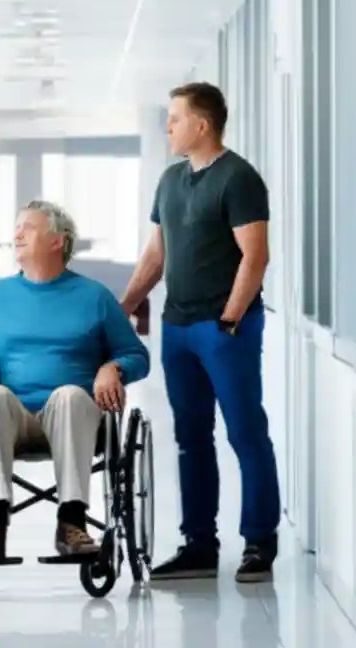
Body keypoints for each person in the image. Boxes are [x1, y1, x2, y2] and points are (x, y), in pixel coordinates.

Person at [119, 82, 279, 583]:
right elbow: (155, 256)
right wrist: (122, 307)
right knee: (190, 436)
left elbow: (255, 256)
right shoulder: (170, 181)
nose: (168, 126)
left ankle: (258, 541)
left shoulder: (238, 178)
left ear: (202, 125)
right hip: (179, 328)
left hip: (224, 328)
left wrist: (230, 319)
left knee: (245, 431)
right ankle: (199, 544)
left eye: (175, 118)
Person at [0, 201, 150, 560]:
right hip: (12, 418)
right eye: (16, 227)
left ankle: (71, 523)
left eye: (28, 227)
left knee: (71, 395)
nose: (16, 234)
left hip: (75, 418)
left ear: (58, 241)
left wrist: (113, 368)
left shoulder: (94, 297)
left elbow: (137, 356)